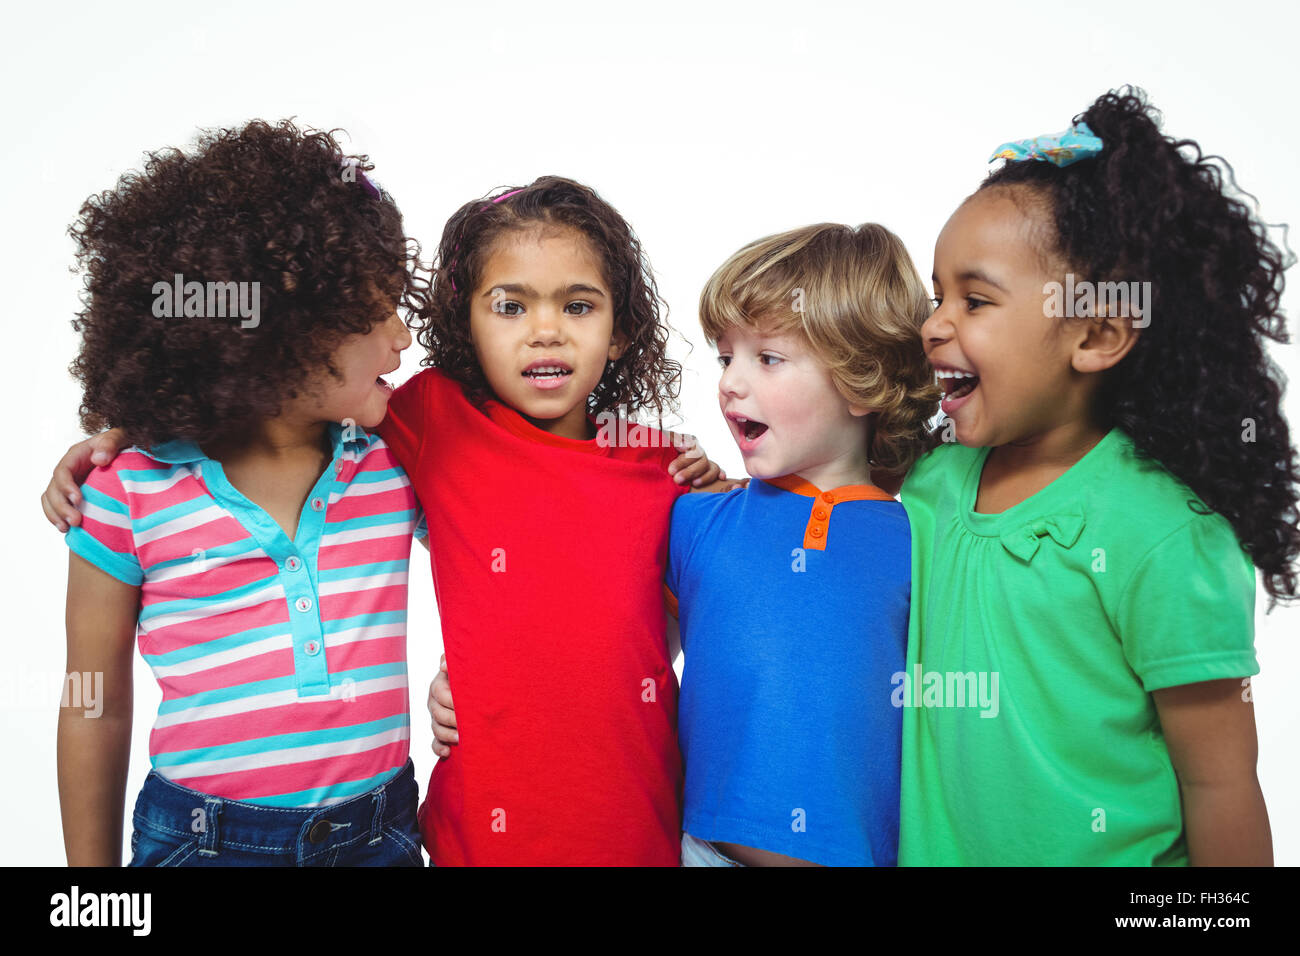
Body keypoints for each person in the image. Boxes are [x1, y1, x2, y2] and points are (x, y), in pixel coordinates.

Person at [900, 88, 1293, 865]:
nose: (935, 323)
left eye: (975, 300)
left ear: (1099, 334)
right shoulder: (923, 488)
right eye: (936, 294)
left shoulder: (1162, 532)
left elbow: (1221, 786)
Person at [56, 119, 430, 866]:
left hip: (380, 836)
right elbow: (92, 704)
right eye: (374, 311)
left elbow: (525, 520)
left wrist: (671, 460)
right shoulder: (126, 490)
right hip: (202, 845)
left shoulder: (399, 459)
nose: (402, 336)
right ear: (279, 332)